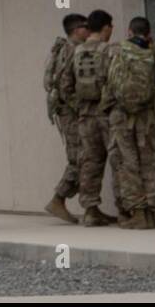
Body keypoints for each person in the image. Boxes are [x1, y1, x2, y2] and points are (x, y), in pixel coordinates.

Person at [104, 17, 155, 230]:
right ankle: (153, 212)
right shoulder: (153, 52)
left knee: (127, 162)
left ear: (129, 31)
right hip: (146, 115)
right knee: (149, 161)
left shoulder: (115, 50)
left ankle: (138, 214)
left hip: (120, 114)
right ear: (148, 32)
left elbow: (104, 80)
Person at [62, 9, 119, 227]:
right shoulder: (110, 50)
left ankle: (90, 210)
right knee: (118, 160)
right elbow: (118, 82)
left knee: (90, 163)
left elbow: (65, 85)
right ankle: (126, 209)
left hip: (85, 116)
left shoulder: (75, 52)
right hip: (106, 114)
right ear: (106, 27)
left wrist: (81, 107)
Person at [44, 12, 89, 224]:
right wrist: (79, 108)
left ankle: (90, 206)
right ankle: (58, 199)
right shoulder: (70, 50)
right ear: (76, 29)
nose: (88, 31)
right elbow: (64, 86)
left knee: (85, 156)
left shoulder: (67, 49)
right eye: (85, 27)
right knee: (79, 158)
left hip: (68, 111)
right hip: (70, 113)